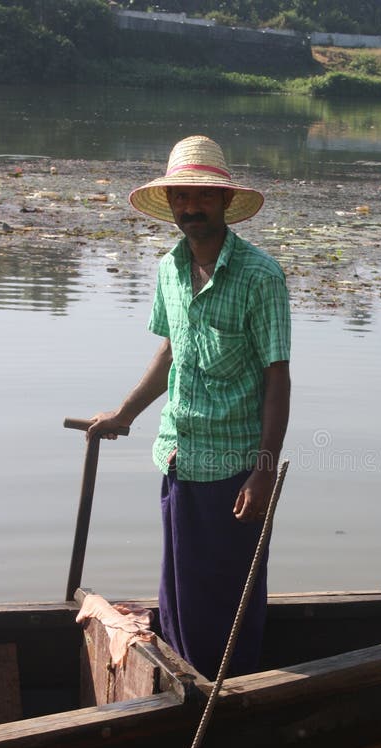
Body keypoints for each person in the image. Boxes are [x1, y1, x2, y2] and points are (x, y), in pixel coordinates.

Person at [88, 135, 291, 680]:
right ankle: (180, 685)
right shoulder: (168, 270)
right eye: (180, 198)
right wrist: (124, 415)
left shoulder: (260, 276)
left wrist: (263, 471)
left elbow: (277, 377)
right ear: (169, 203)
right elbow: (170, 350)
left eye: (202, 198)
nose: (190, 209)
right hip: (179, 455)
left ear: (225, 203)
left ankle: (227, 694)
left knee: (227, 599)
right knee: (178, 591)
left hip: (235, 470)